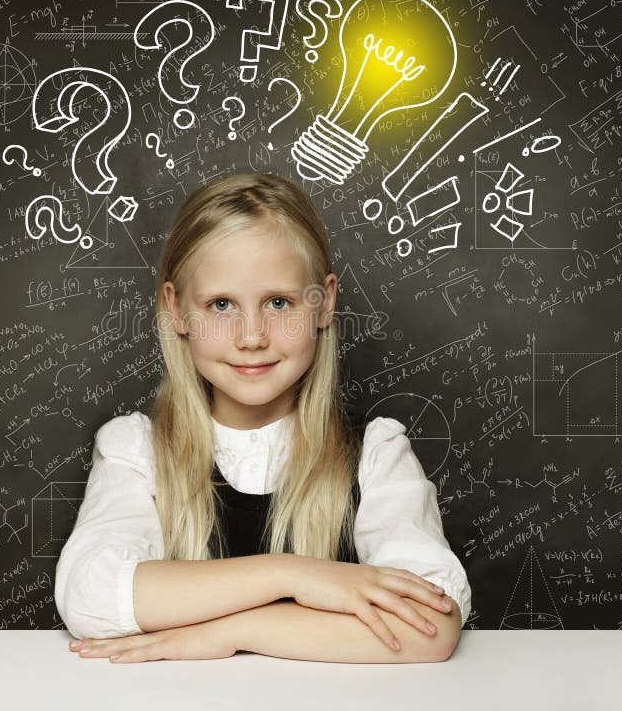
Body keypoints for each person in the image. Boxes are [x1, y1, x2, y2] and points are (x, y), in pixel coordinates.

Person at [55, 172, 471, 664]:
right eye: (221, 304)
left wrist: (232, 632)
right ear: (176, 308)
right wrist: (292, 575)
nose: (252, 336)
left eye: (278, 302)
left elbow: (430, 628)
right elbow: (90, 597)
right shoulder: (136, 450)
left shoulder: (374, 454)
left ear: (324, 303)